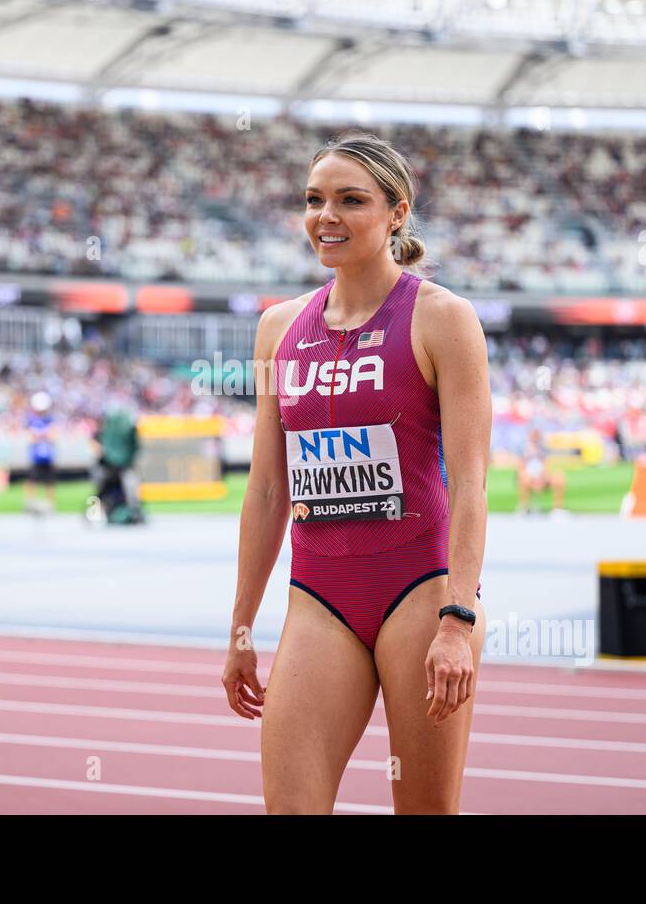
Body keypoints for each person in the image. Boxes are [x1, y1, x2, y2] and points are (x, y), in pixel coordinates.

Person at [223, 131, 490, 814]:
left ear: (396, 213)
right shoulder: (278, 328)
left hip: (420, 594)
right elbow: (266, 488)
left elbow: (470, 481)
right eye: (314, 200)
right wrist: (242, 629)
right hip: (320, 597)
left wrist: (457, 621)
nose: (326, 216)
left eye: (350, 200)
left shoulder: (443, 319)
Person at [516, 427, 566, 516]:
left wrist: (542, 478)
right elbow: (520, 468)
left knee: (559, 477)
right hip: (529, 476)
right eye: (533, 434)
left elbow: (547, 466)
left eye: (537, 434)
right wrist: (531, 478)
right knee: (523, 478)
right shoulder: (523, 448)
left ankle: (557, 509)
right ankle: (524, 507)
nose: (535, 437)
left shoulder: (544, 448)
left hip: (542, 476)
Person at [25, 391, 58, 516]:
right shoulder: (32, 420)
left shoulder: (50, 420)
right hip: (36, 457)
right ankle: (30, 503)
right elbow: (32, 437)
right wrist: (43, 434)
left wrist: (41, 434)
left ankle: (50, 504)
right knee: (32, 480)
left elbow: (52, 436)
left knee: (50, 482)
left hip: (48, 457)